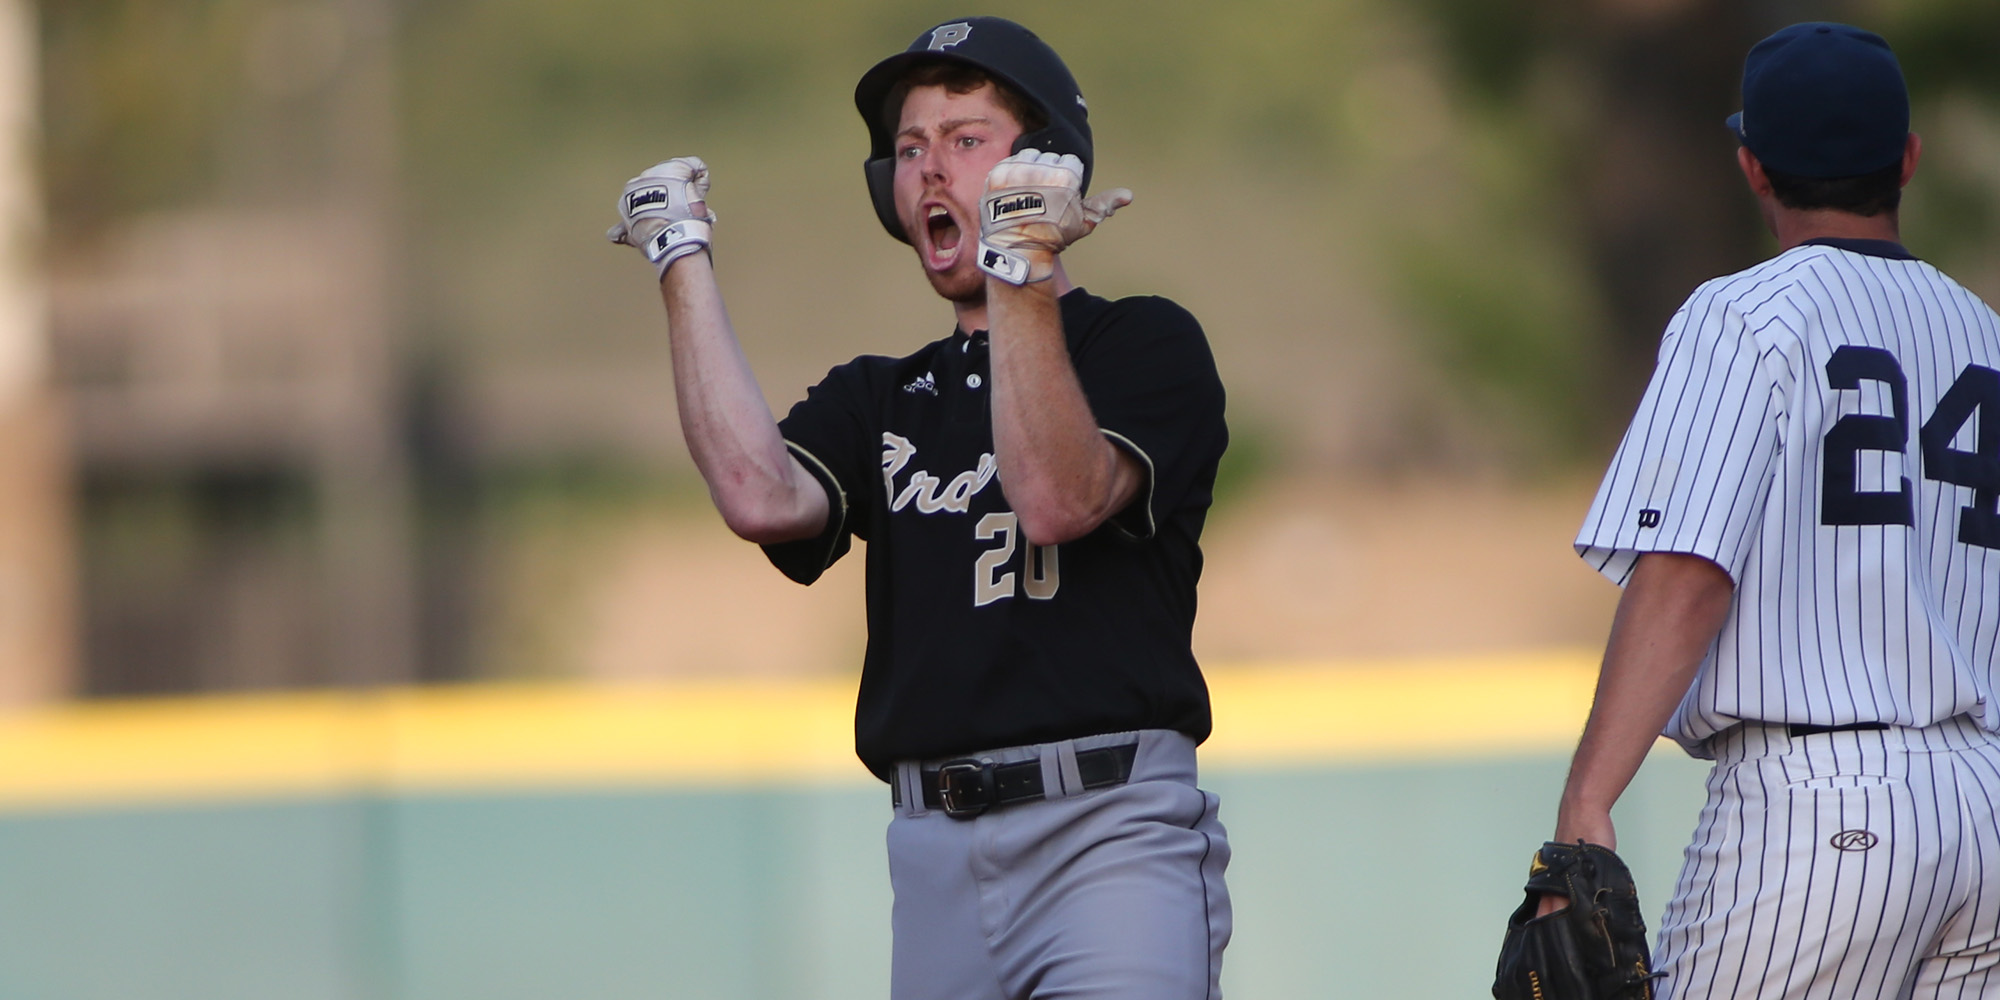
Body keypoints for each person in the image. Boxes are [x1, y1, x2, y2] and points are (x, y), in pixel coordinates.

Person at [606, 17, 1231, 1000]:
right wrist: (679, 257)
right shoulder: (882, 395)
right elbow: (756, 493)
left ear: (1048, 166)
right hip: (932, 853)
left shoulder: (1142, 344)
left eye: (965, 138)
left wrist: (1019, 266)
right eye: (908, 148)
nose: (930, 168)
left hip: (1108, 834)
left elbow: (1055, 497)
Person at [1542, 21, 2000, 998]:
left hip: (1820, 811)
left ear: (1751, 167)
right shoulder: (1982, 335)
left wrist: (1587, 793)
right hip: (1982, 806)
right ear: (1906, 159)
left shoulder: (1744, 313)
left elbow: (1684, 572)